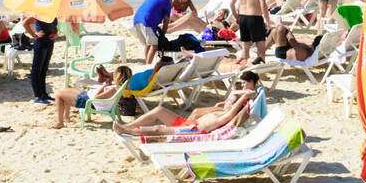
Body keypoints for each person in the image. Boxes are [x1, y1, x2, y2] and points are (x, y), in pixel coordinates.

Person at [112, 81, 255, 139]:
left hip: (191, 131)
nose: (227, 102)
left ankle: (125, 131)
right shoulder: (222, 111)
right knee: (159, 110)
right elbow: (232, 96)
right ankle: (128, 126)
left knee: (158, 130)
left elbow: (233, 110)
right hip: (187, 124)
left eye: (230, 102)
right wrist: (238, 95)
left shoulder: (226, 116)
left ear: (236, 107)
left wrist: (243, 98)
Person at [51, 64, 124, 129]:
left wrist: (104, 86)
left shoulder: (113, 89)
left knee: (59, 95)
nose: (113, 74)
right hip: (88, 96)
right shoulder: (119, 84)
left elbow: (96, 97)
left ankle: (59, 122)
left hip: (89, 101)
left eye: (114, 73)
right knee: (65, 90)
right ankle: (65, 117)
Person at [229, 0, 269, 64]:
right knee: (261, 48)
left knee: (245, 47)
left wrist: (236, 17)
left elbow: (231, 3)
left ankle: (245, 70)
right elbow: (263, 4)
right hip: (255, 18)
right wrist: (267, 20)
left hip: (243, 18)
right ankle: (261, 74)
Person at [23, 14, 58, 103]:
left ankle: (44, 94)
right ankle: (37, 96)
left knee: (44, 69)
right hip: (40, 43)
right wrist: (34, 35)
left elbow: (55, 27)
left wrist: (55, 34)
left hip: (50, 42)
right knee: (36, 69)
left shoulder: (53, 14)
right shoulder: (39, 14)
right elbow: (25, 23)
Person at [132, 0, 174, 64]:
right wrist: (163, 35)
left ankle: (147, 62)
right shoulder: (167, 3)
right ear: (170, 2)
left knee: (147, 44)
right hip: (147, 21)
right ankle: (148, 66)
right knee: (155, 46)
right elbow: (166, 21)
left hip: (136, 20)